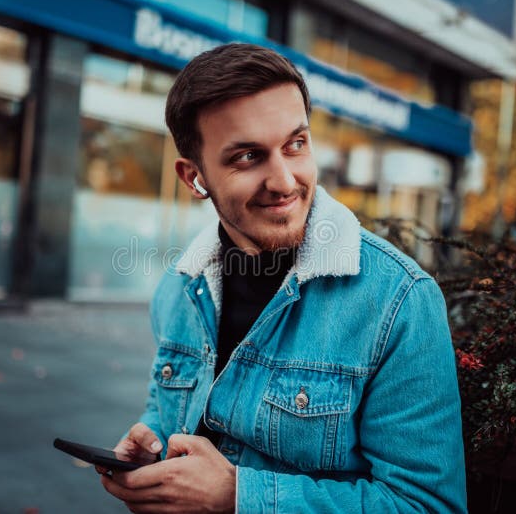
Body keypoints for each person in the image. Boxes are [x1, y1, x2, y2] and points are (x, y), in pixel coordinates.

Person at [97, 43, 467, 513]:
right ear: (195, 178)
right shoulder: (180, 288)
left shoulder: (399, 301)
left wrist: (238, 497)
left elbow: (428, 505)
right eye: (248, 157)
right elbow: (167, 412)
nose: (285, 181)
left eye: (296, 144)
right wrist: (151, 447)